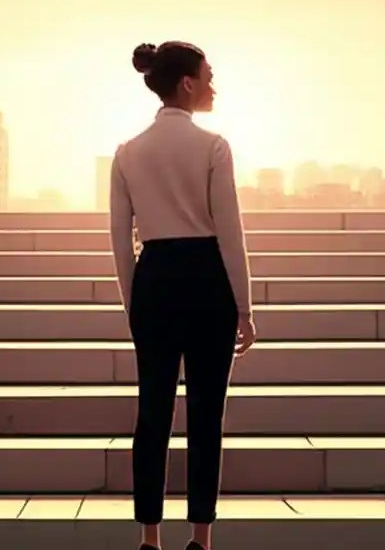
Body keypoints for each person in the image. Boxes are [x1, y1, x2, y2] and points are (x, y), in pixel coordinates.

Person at [109, 41, 258, 550]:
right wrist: (245, 307)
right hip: (208, 280)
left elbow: (118, 238)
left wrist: (134, 302)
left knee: (152, 412)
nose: (214, 85)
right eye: (208, 75)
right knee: (205, 414)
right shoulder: (214, 147)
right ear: (188, 83)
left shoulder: (128, 152)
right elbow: (230, 231)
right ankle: (201, 537)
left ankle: (150, 538)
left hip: (153, 279)